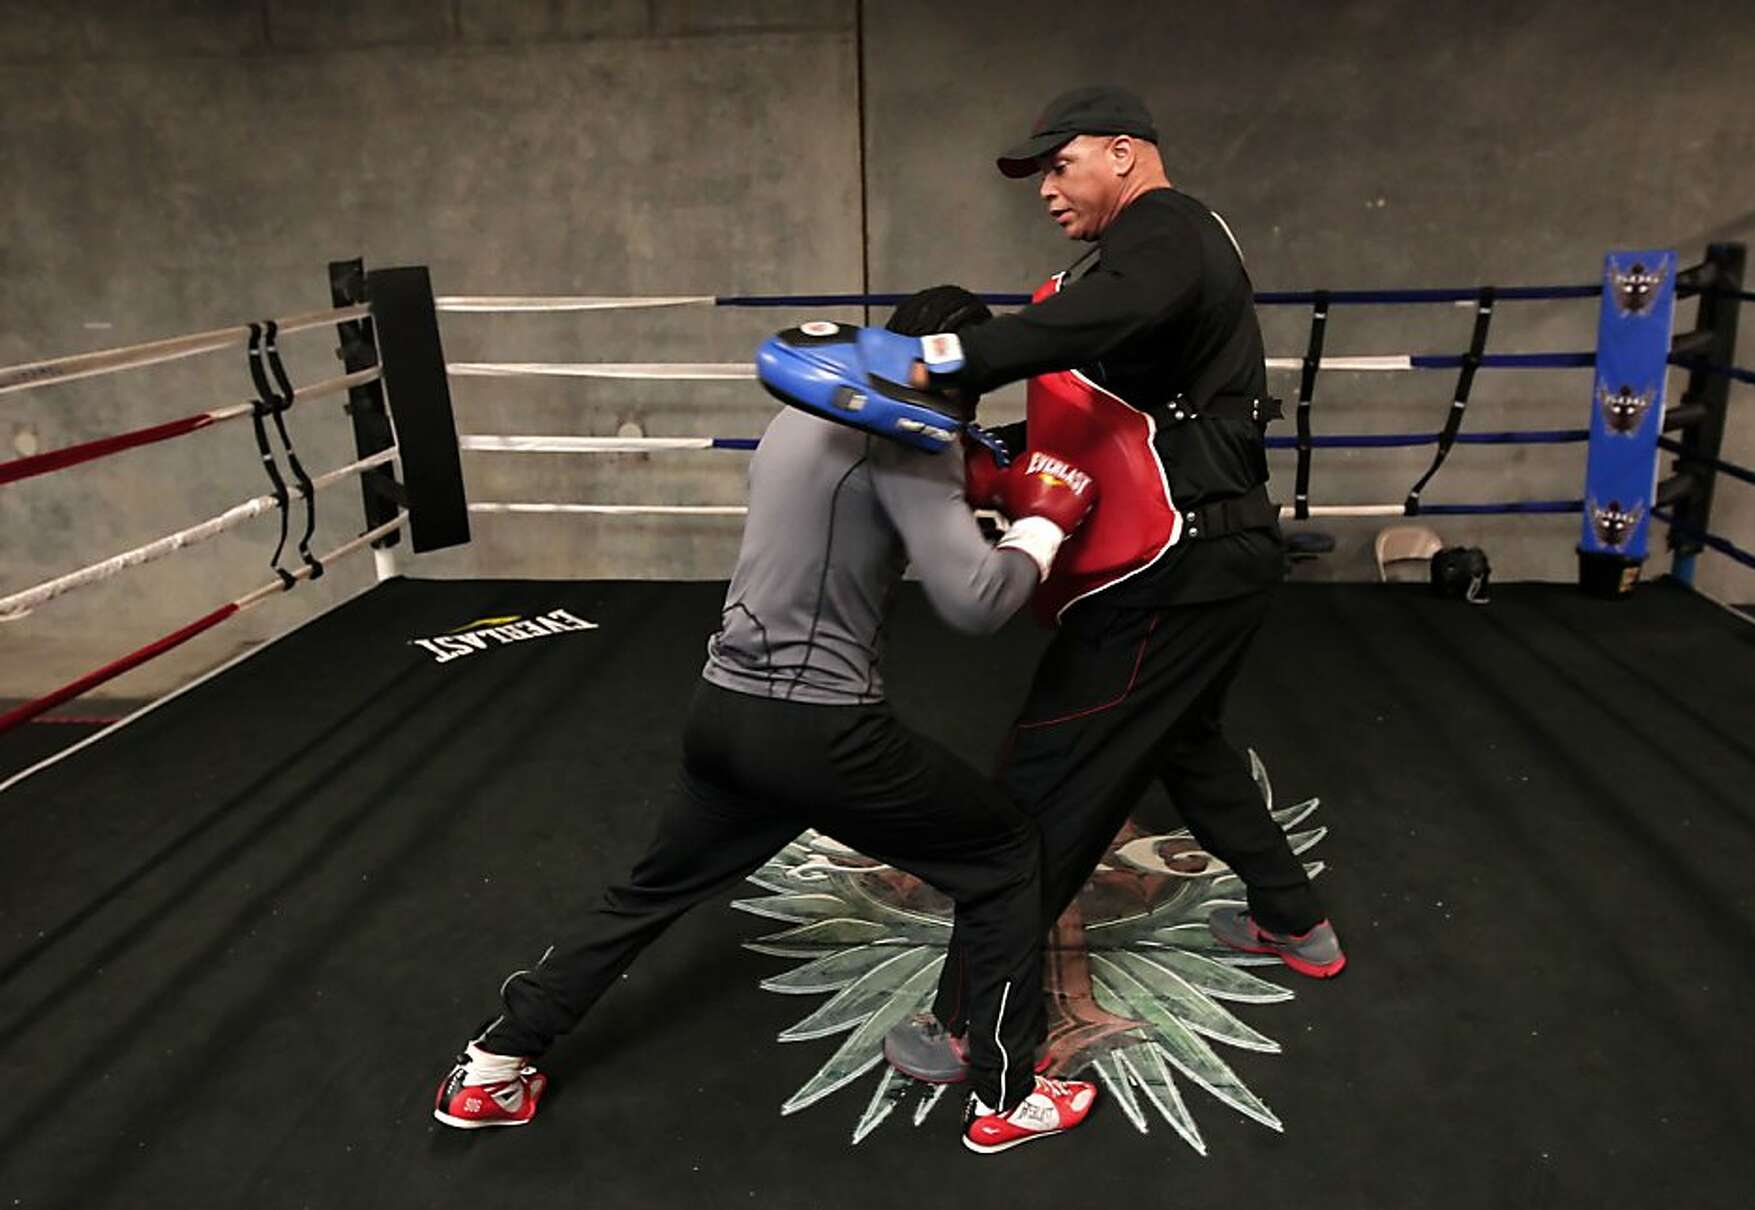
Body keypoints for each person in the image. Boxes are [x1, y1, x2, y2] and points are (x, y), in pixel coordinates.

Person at [434, 286, 1099, 1155]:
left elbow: (846, 506)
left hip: (724, 710)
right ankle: (1006, 1096)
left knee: (648, 894)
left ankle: (491, 1066)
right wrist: (1041, 524)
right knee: (1006, 855)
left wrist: (974, 473)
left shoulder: (800, 413)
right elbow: (976, 602)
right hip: (822, 732)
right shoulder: (911, 444)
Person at [884, 87, 1344, 1086]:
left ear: (1127, 154)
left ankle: (970, 1025)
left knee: (1046, 786)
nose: (1047, 189)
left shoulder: (1164, 231)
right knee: (1189, 743)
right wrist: (993, 446)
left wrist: (945, 356)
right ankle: (1295, 921)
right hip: (1217, 560)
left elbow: (1108, 318)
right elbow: (1113, 416)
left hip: (1170, 576)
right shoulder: (1142, 253)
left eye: (1061, 164)